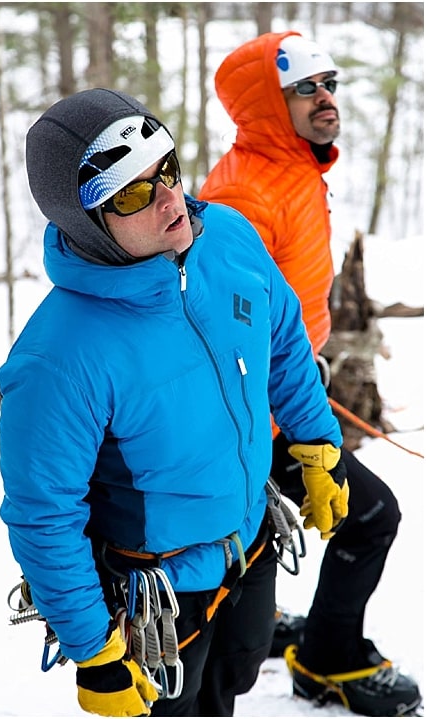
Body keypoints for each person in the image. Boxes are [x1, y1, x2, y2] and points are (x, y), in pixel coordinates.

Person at [0, 88, 343, 716]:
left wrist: (316, 441)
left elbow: (285, 336)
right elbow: (43, 514)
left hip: (249, 544)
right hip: (157, 599)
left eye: (167, 169)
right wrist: (94, 650)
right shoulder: (59, 357)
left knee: (233, 682)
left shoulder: (229, 238)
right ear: (85, 221)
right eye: (132, 192)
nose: (169, 199)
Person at [201, 32, 417, 716]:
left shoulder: (289, 170)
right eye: (306, 88)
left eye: (330, 83)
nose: (327, 98)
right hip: (250, 417)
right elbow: (220, 333)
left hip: (288, 395)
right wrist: (278, 421)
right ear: (270, 103)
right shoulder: (244, 197)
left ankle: (268, 626)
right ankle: (328, 657)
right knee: (372, 515)